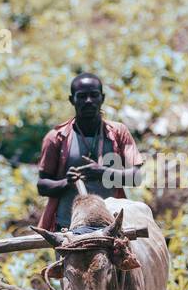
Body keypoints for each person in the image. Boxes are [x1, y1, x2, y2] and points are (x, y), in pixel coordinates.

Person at [36, 72, 144, 231]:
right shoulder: (56, 138)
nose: (88, 101)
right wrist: (66, 182)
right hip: (68, 226)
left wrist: (102, 172)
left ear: (103, 98)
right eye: (82, 96)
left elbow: (135, 177)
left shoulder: (119, 133)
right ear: (72, 100)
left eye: (94, 95)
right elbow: (42, 185)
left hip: (110, 226)